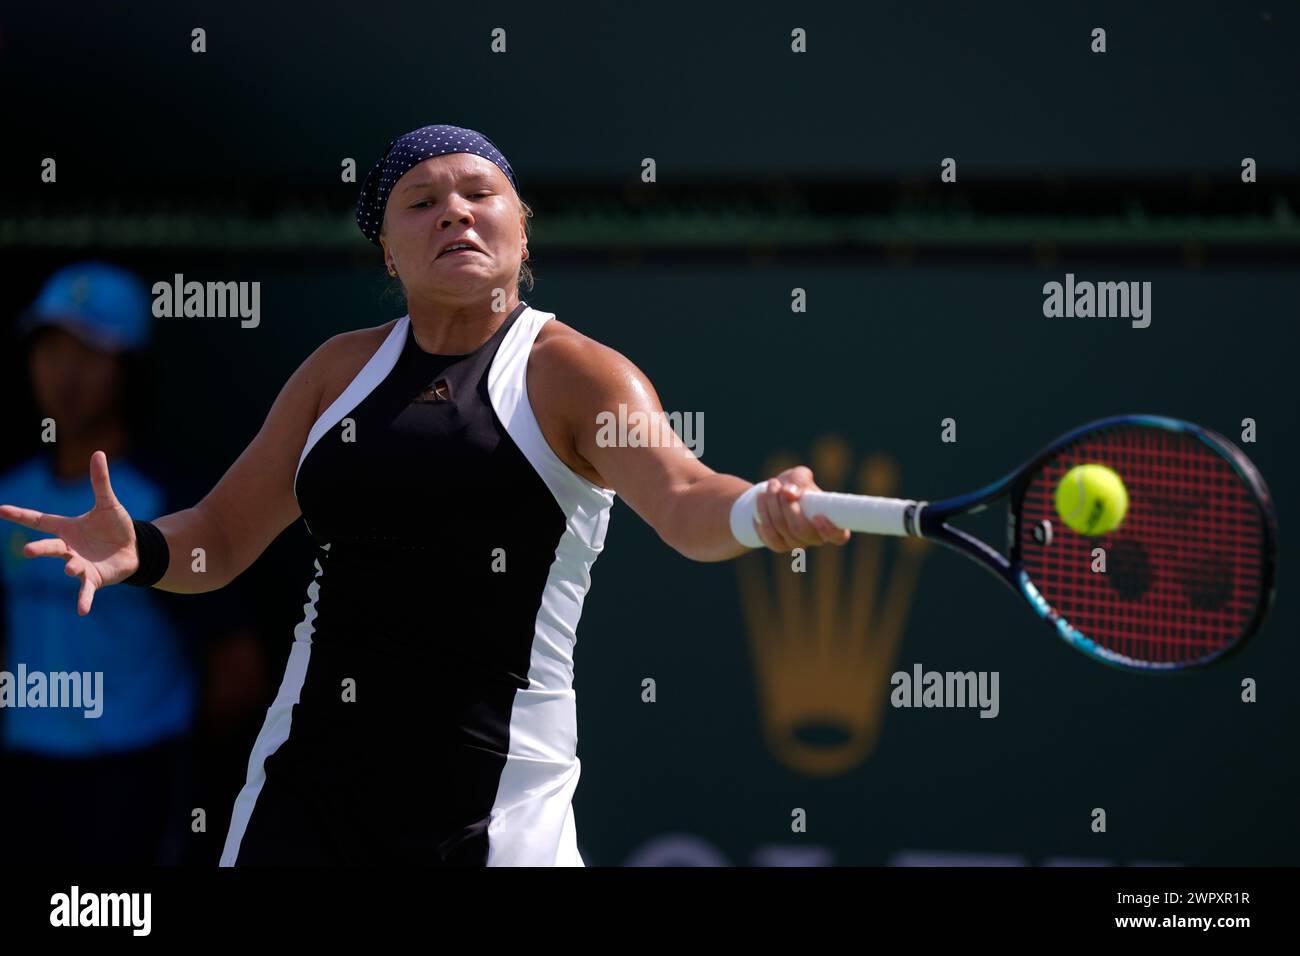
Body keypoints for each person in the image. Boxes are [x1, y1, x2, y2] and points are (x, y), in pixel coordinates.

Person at [0, 125, 849, 867]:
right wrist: (142, 550)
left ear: (522, 230)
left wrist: (756, 510)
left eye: (481, 192)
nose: (455, 211)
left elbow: (686, 497)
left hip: (497, 810)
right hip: (305, 795)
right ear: (387, 250)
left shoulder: (577, 374)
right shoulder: (335, 372)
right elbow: (219, 537)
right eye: (421, 201)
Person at [0, 263, 208, 864]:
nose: (65, 371)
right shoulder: (9, 494)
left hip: (134, 778)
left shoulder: (170, 502)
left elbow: (234, 665)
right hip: (27, 774)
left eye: (88, 351)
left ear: (129, 367)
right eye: (50, 348)